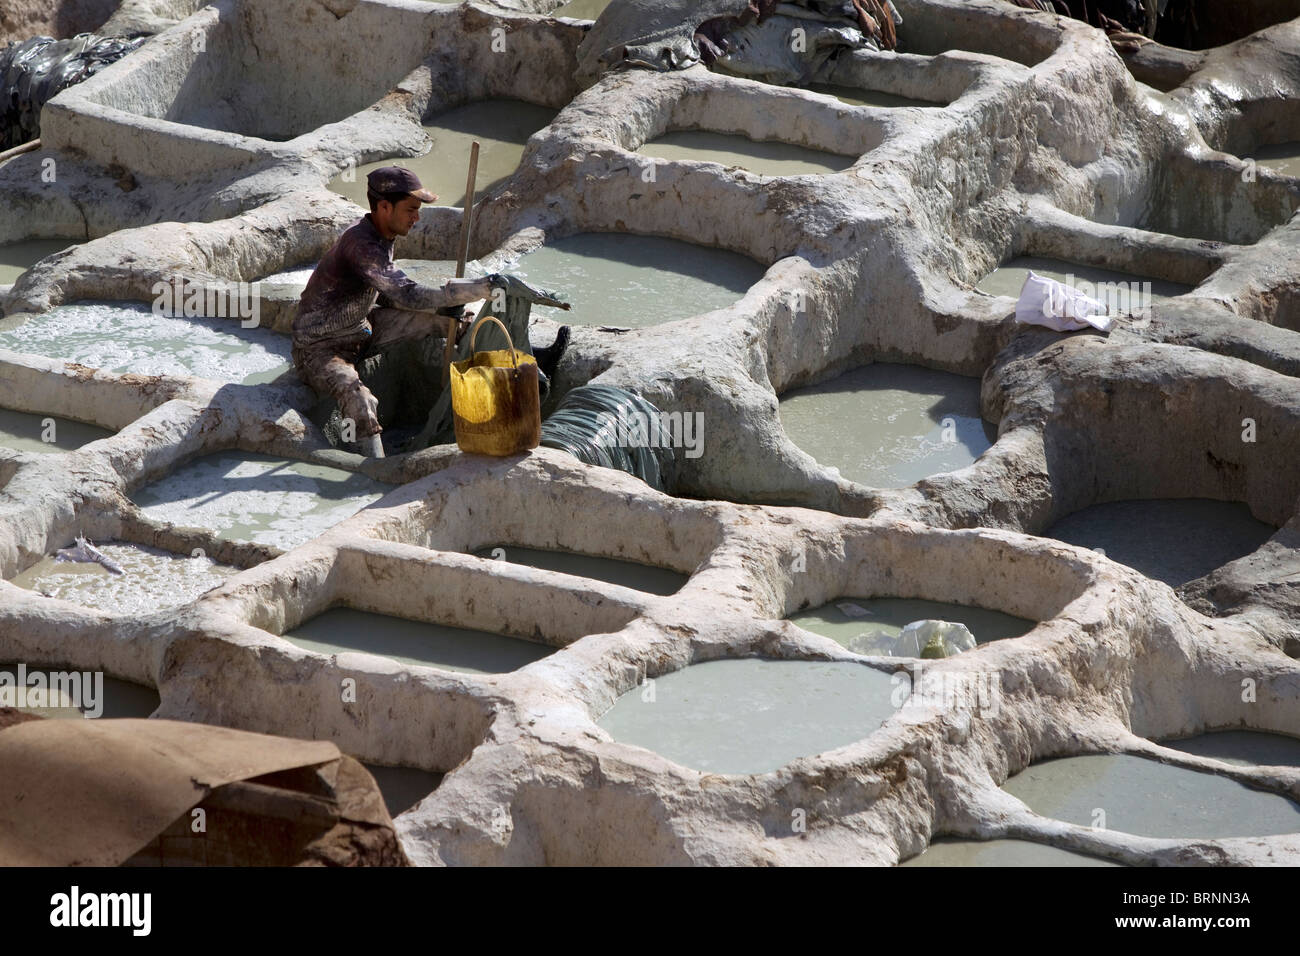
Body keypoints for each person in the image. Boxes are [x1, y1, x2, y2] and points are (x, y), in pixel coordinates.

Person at [292, 166, 525, 458]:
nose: (417, 218)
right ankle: (374, 469)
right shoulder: (361, 245)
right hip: (319, 349)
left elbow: (387, 297)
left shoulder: (383, 235)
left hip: (362, 328)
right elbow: (407, 293)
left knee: (455, 323)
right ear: (384, 206)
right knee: (358, 398)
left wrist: (442, 308)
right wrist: (475, 288)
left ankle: (525, 372)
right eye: (411, 209)